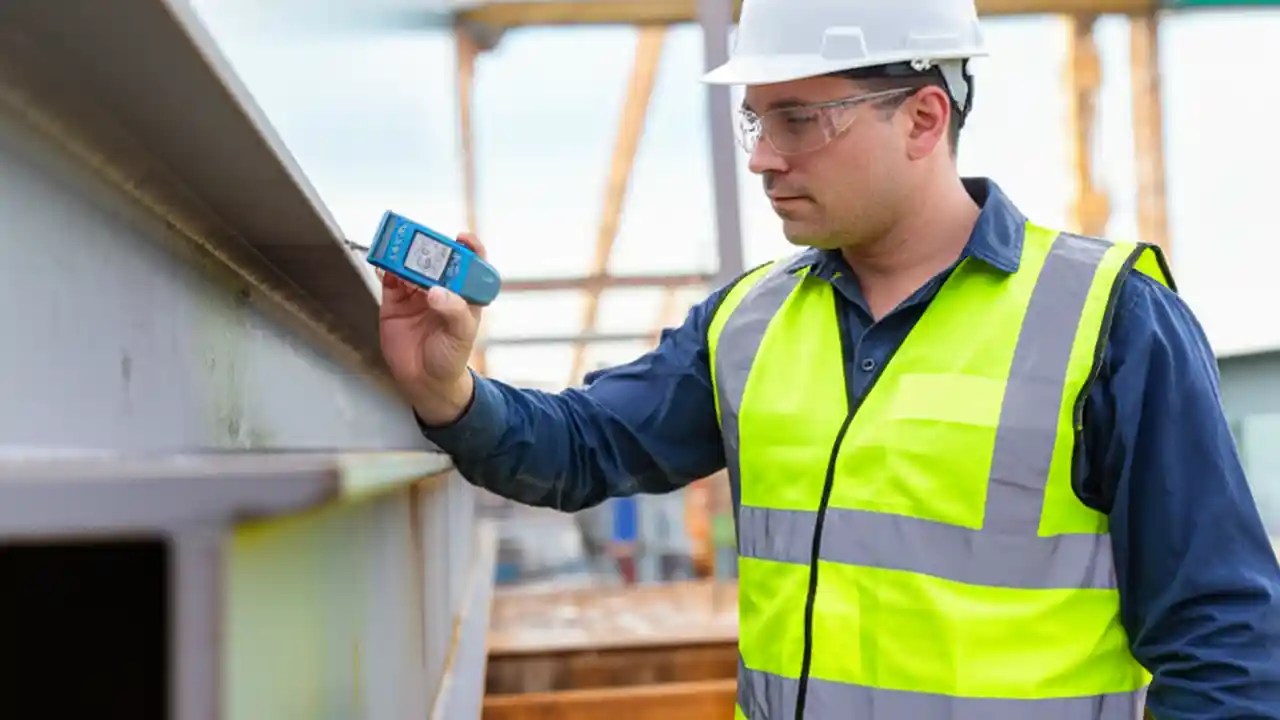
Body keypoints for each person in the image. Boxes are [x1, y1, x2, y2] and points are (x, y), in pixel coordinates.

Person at [377, 0, 1280, 716]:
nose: (764, 158)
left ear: (924, 118)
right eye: (755, 121)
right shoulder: (747, 323)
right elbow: (580, 449)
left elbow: (1226, 641)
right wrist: (450, 388)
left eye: (799, 119)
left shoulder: (1110, 320)